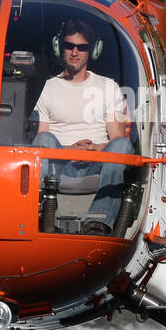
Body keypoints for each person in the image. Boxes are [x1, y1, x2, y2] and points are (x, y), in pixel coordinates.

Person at [33, 18, 133, 235]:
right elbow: (42, 139)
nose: (75, 52)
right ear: (60, 47)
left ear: (92, 50)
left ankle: (99, 222)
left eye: (82, 47)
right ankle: (39, 212)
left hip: (97, 160)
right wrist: (71, 150)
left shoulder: (108, 86)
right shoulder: (47, 88)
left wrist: (92, 150)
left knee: (123, 145)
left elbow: (116, 138)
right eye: (69, 46)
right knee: (42, 142)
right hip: (60, 163)